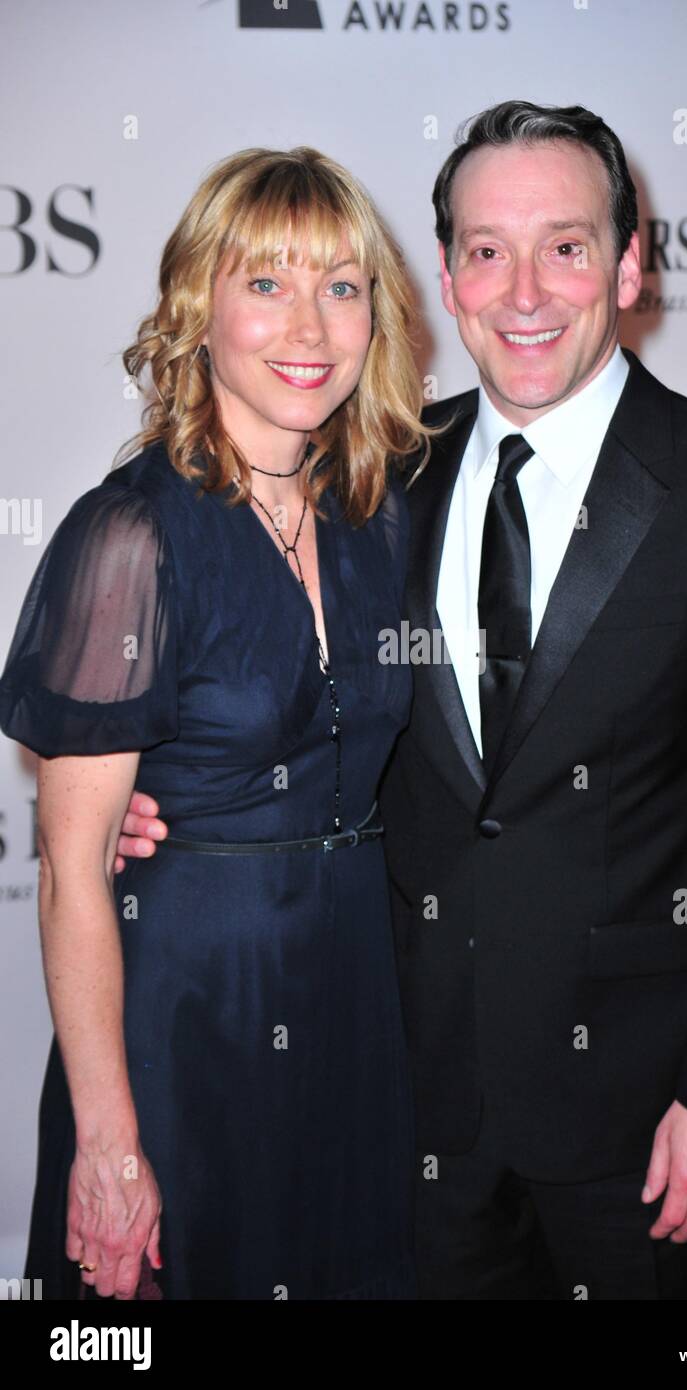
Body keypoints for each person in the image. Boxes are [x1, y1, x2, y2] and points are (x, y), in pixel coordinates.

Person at [116, 102, 687, 1301]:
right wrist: (169, 797)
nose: (524, 290)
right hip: (406, 1097)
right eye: (486, 249)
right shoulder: (378, 476)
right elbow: (301, 702)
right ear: (446, 275)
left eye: (565, 245)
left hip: (645, 1127)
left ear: (628, 263)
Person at [0, 145, 435, 1300]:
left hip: (353, 1000)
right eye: (266, 283)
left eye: (342, 287)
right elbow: (73, 870)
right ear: (200, 309)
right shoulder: (131, 535)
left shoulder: (376, 518)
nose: (310, 325)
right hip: (189, 1011)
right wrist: (108, 1143)